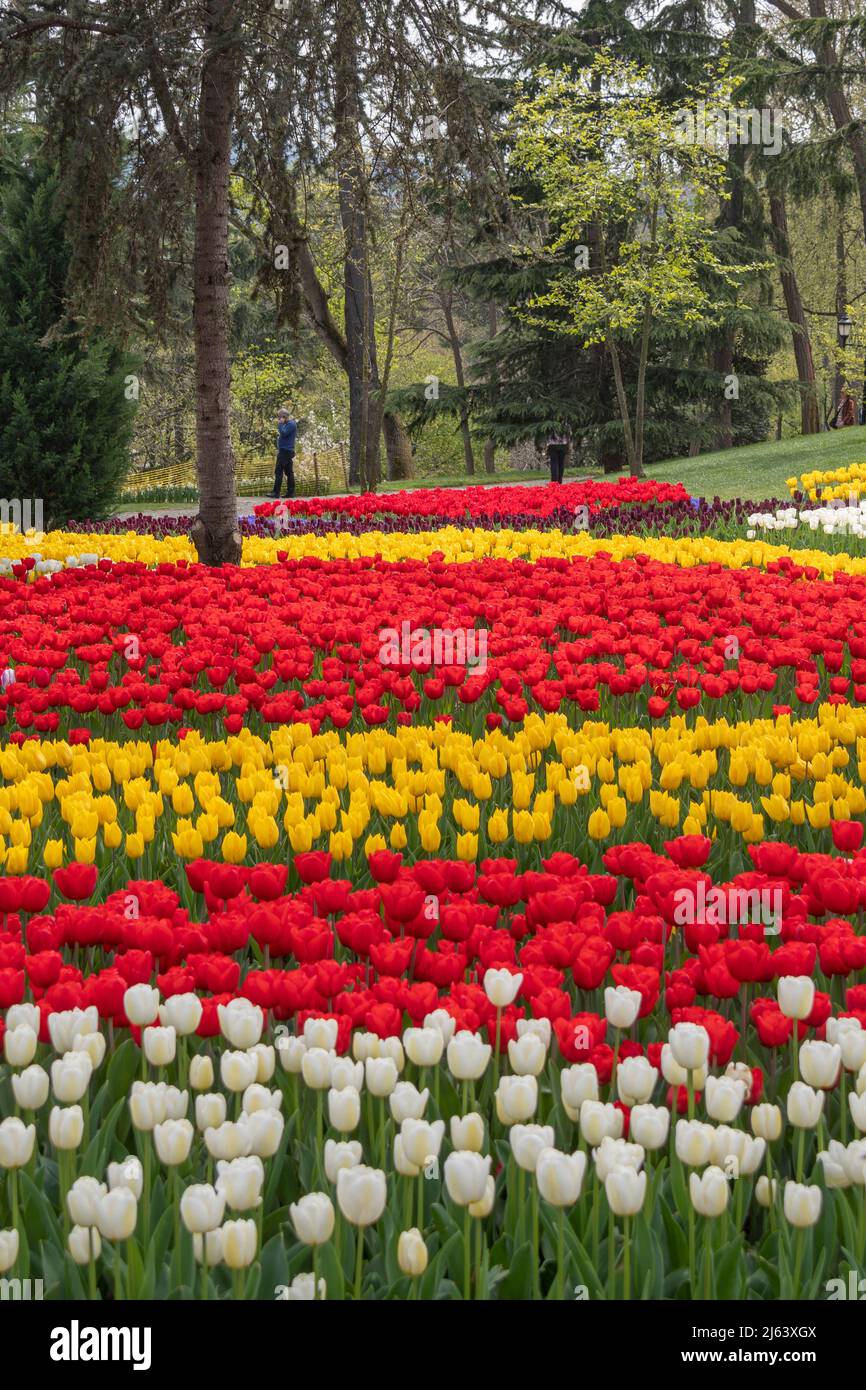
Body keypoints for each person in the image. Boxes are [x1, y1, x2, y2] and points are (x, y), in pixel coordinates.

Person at [272, 407, 297, 498]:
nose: (278, 419)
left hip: (285, 451)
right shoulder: (288, 424)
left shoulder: (291, 424)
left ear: (284, 417)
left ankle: (276, 492)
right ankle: (290, 493)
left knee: (278, 471)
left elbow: (284, 433)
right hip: (285, 450)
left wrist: (280, 424)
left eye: (279, 417)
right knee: (289, 472)